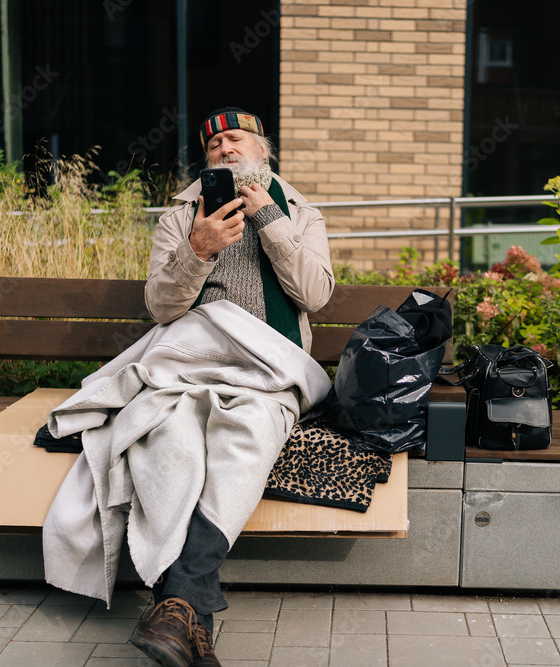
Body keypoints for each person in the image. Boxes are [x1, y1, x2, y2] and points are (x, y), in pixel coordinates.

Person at [128, 107, 334, 666]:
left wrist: (268, 218)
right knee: (171, 442)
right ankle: (187, 622)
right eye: (214, 143)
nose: (224, 147)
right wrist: (198, 249)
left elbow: (315, 295)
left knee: (248, 436)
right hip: (190, 366)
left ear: (264, 149)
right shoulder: (182, 216)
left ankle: (176, 608)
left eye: (236, 138)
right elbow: (161, 308)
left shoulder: (301, 213)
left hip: (270, 370)